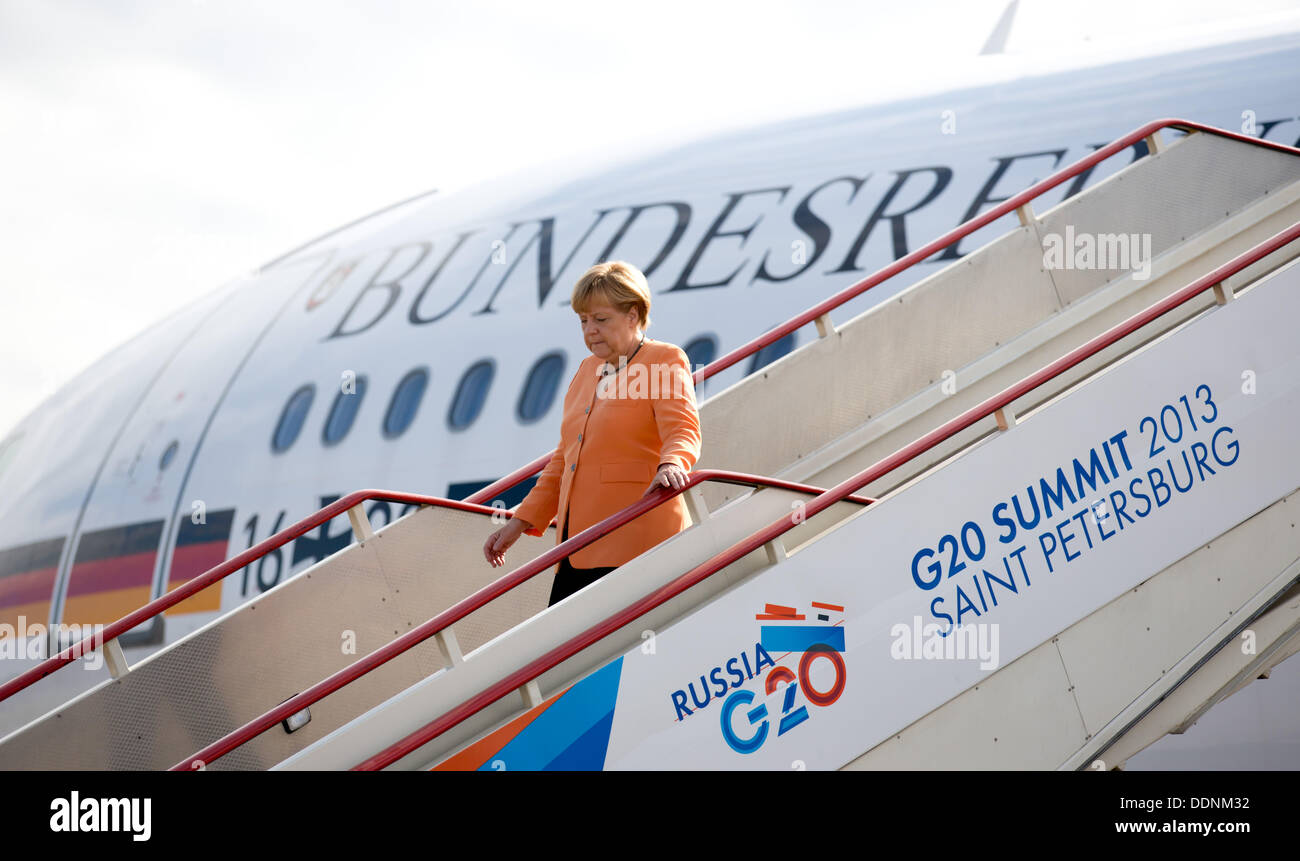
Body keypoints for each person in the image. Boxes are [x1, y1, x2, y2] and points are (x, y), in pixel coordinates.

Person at [481, 260, 702, 606]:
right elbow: (565, 460)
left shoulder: (664, 360)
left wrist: (672, 464)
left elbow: (682, 427)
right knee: (563, 655)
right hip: (576, 546)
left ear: (633, 315)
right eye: (583, 320)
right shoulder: (587, 371)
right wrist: (520, 523)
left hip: (637, 542)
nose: (590, 330)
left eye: (601, 319)